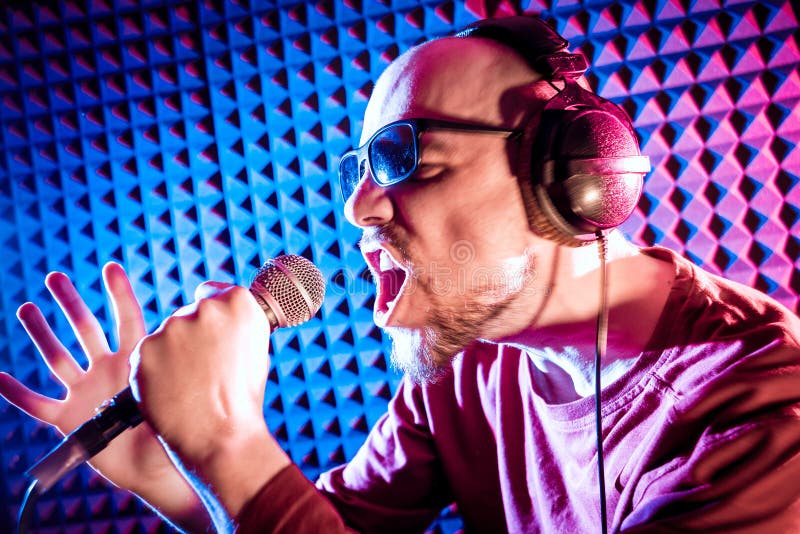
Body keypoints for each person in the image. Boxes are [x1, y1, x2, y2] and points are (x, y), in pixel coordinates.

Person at [2, 14, 800, 534]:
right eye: (361, 167)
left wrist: (227, 441)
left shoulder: (762, 413)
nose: (358, 209)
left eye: (406, 159)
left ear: (578, 174)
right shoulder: (464, 355)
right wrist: (175, 473)